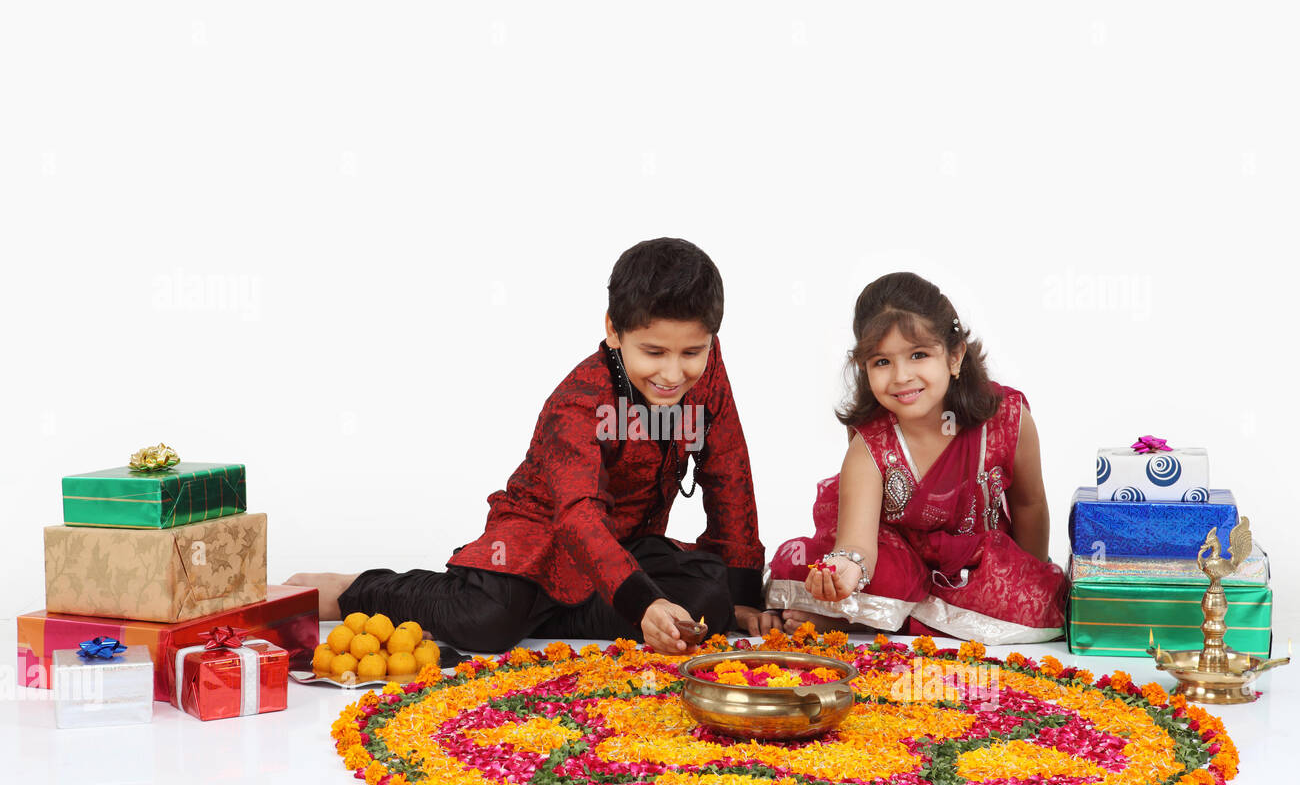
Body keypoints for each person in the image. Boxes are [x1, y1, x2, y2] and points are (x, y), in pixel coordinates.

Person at [289, 238, 778, 655]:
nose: (674, 374)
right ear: (613, 330)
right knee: (485, 622)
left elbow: (728, 468)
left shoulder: (708, 368)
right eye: (653, 353)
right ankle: (357, 589)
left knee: (712, 606)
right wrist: (644, 604)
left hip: (625, 548)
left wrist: (743, 597)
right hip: (540, 539)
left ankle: (548, 612)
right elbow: (577, 516)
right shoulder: (578, 400)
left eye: (691, 352)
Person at [764, 271, 1067, 644]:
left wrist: (1028, 572)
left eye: (919, 355)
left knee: (1040, 602)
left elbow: (1029, 503)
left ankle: (866, 620)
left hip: (975, 564)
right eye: (881, 362)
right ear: (864, 368)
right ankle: (877, 614)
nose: (901, 376)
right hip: (896, 562)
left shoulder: (1006, 420)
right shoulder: (871, 445)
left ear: (955, 356)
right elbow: (858, 544)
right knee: (826, 571)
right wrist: (845, 569)